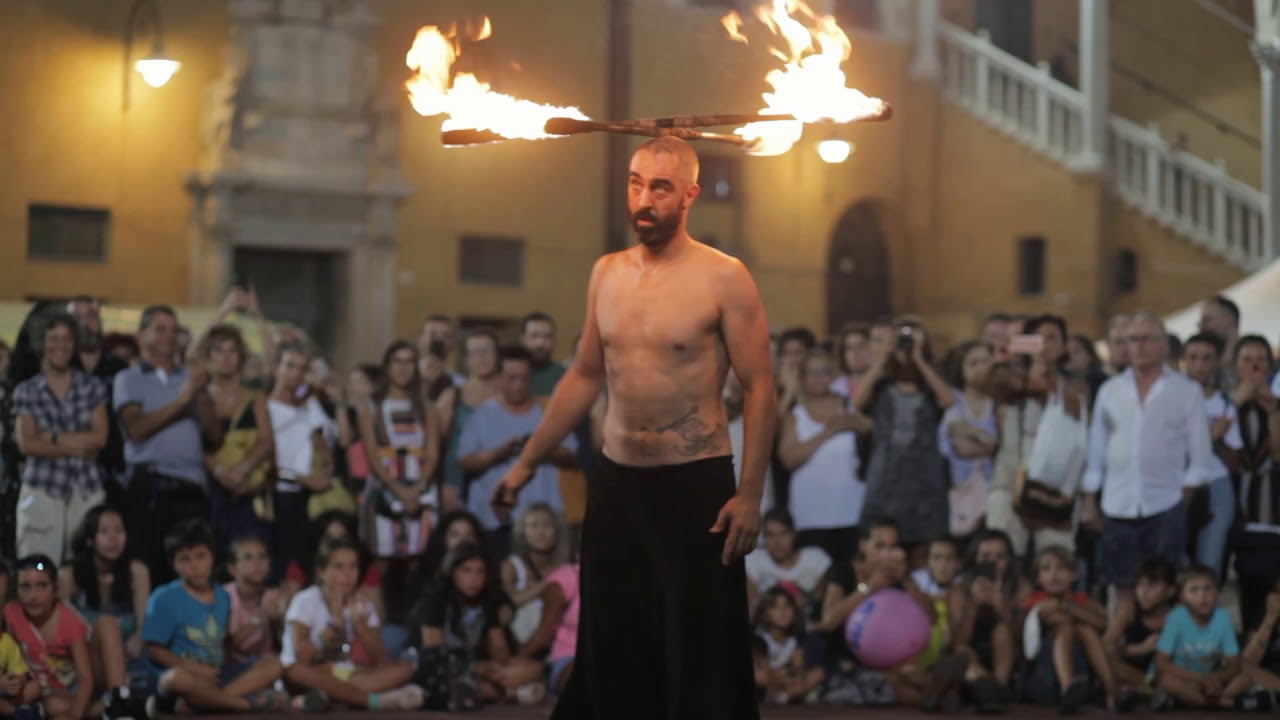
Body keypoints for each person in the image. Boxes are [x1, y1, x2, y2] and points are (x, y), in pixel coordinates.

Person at [491, 136, 772, 720]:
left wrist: (749, 495)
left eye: (661, 187)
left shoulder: (725, 277)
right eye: (635, 182)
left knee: (698, 646)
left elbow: (761, 387)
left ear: (690, 194)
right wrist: (525, 463)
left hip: (696, 484)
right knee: (611, 637)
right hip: (619, 482)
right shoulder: (607, 273)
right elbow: (584, 377)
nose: (644, 198)